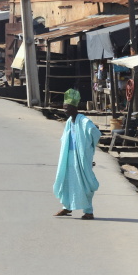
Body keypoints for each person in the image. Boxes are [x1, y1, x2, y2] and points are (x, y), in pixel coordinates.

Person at [53, 88, 101, 220]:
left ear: (74, 108)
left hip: (81, 157)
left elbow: (96, 133)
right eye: (64, 108)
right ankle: (66, 207)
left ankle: (89, 211)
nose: (65, 111)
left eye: (67, 108)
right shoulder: (69, 122)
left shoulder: (84, 121)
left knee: (85, 182)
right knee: (67, 180)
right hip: (69, 155)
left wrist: (89, 149)